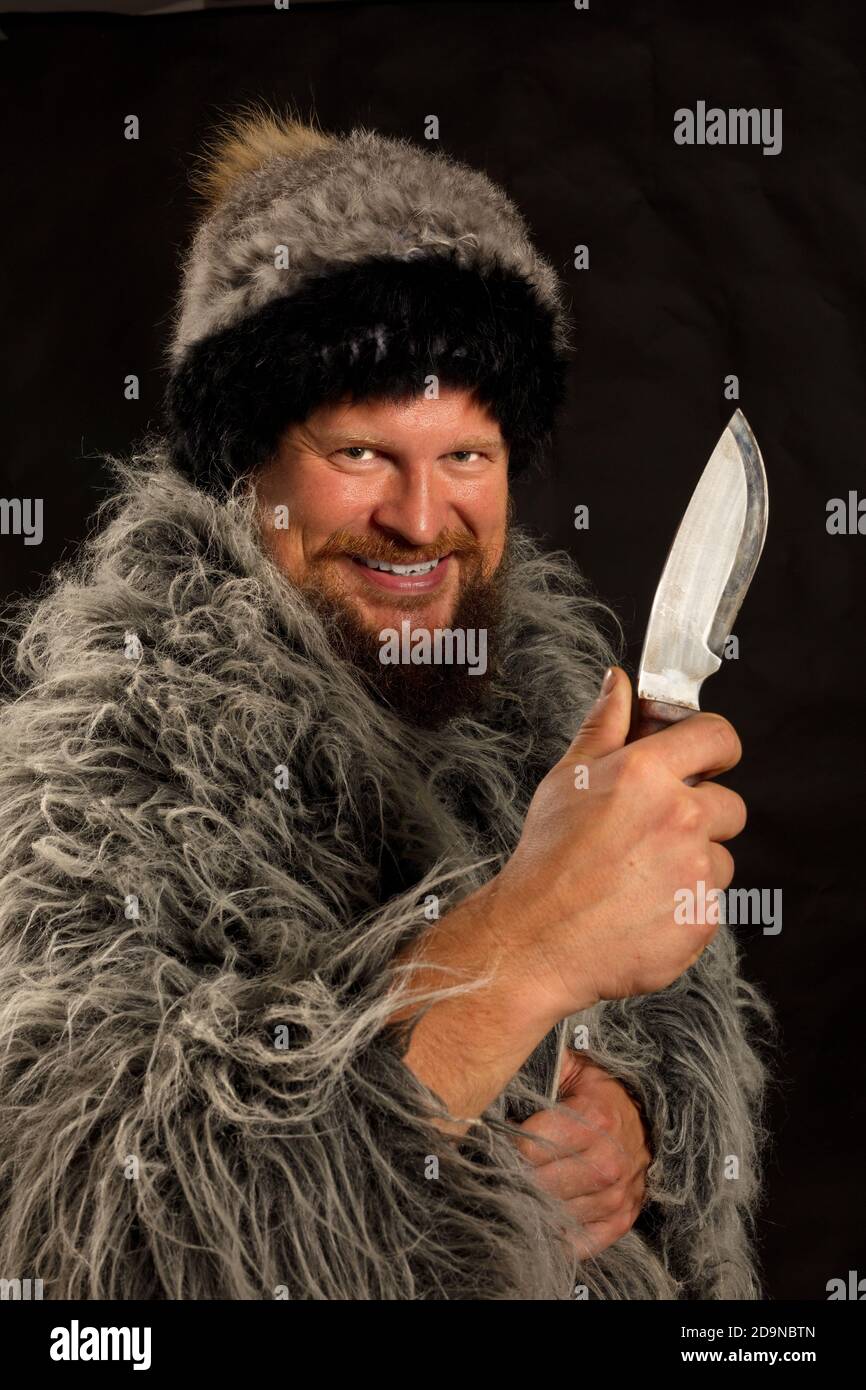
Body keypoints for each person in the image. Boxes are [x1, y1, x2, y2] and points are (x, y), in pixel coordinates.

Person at [0, 106, 774, 1300]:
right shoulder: (95, 774)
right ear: (240, 464)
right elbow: (116, 1255)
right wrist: (518, 953)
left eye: (465, 456)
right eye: (360, 452)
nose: (421, 520)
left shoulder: (560, 699)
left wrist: (636, 1130)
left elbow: (666, 1027)